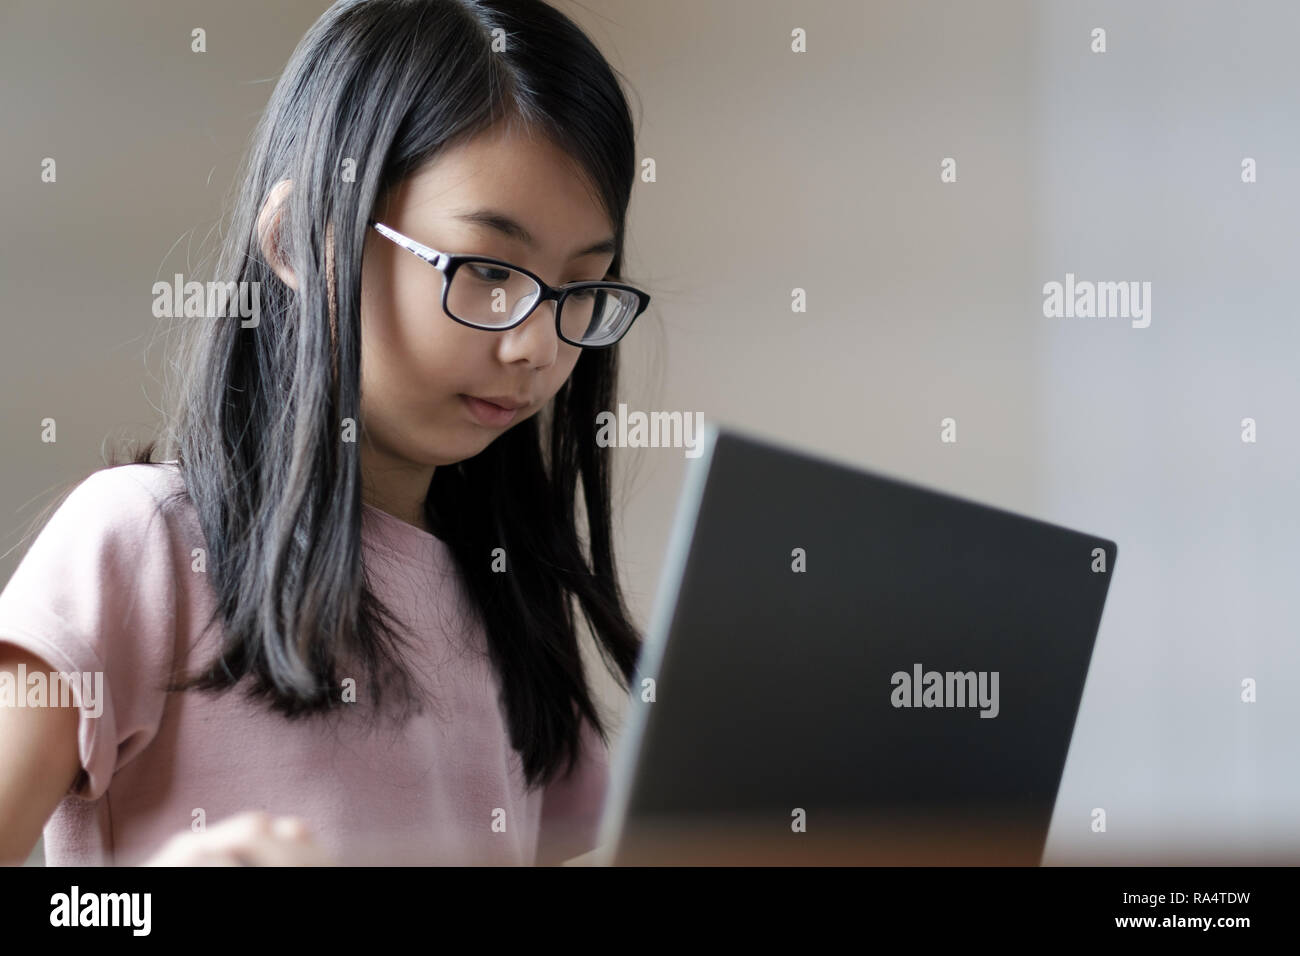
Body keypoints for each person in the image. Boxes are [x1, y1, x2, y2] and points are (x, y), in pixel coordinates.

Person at [0, 0, 650, 866]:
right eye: (489, 271)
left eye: (580, 288)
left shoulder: (514, 598)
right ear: (298, 240)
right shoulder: (141, 543)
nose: (535, 345)